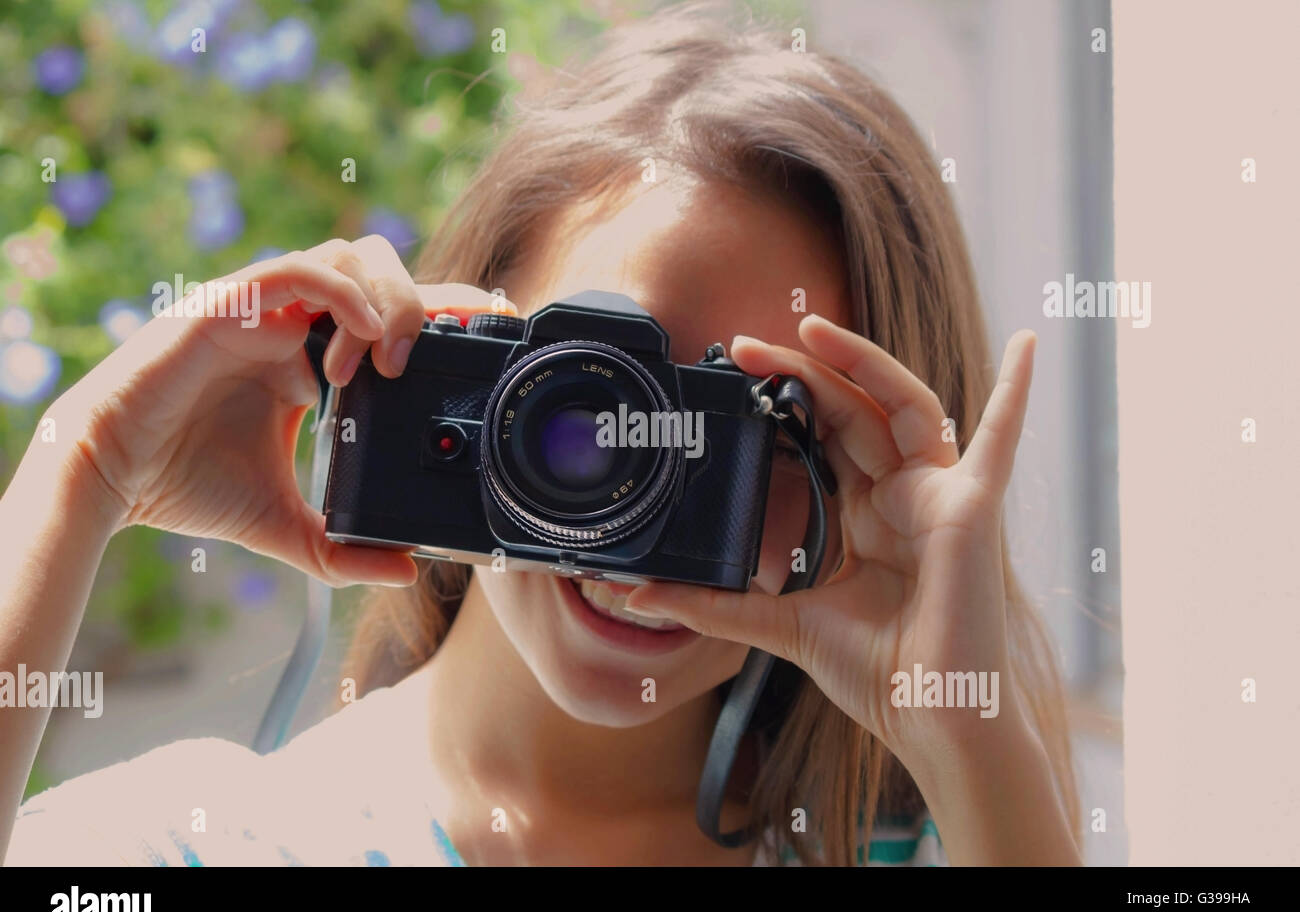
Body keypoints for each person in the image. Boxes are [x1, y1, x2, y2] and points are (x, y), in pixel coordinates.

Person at [0, 3, 1081, 866]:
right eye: (592, 396)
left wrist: (965, 734)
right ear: (455, 352)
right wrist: (81, 464)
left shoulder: (955, 839)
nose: (631, 500)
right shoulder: (203, 846)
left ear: (870, 478)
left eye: (753, 425)